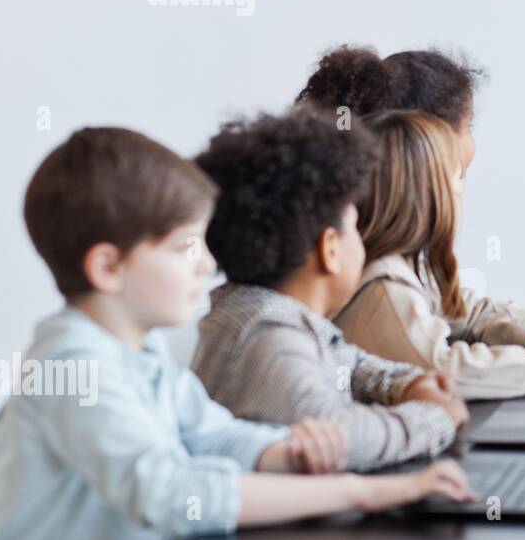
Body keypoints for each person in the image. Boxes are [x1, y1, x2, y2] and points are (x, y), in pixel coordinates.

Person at [0, 126, 474, 540]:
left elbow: (212, 434)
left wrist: (287, 452)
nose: (206, 264)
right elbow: (171, 494)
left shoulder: (139, 352)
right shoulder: (74, 368)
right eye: (186, 246)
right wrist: (359, 492)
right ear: (107, 268)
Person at [190, 106, 470, 470]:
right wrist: (437, 416)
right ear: (330, 249)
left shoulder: (271, 313)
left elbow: (351, 363)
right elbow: (344, 437)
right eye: (354, 226)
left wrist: (406, 384)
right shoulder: (267, 336)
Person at [336, 109, 525, 399]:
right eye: (458, 180)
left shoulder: (408, 266)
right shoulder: (384, 288)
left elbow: (468, 313)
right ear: (432, 198)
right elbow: (444, 372)